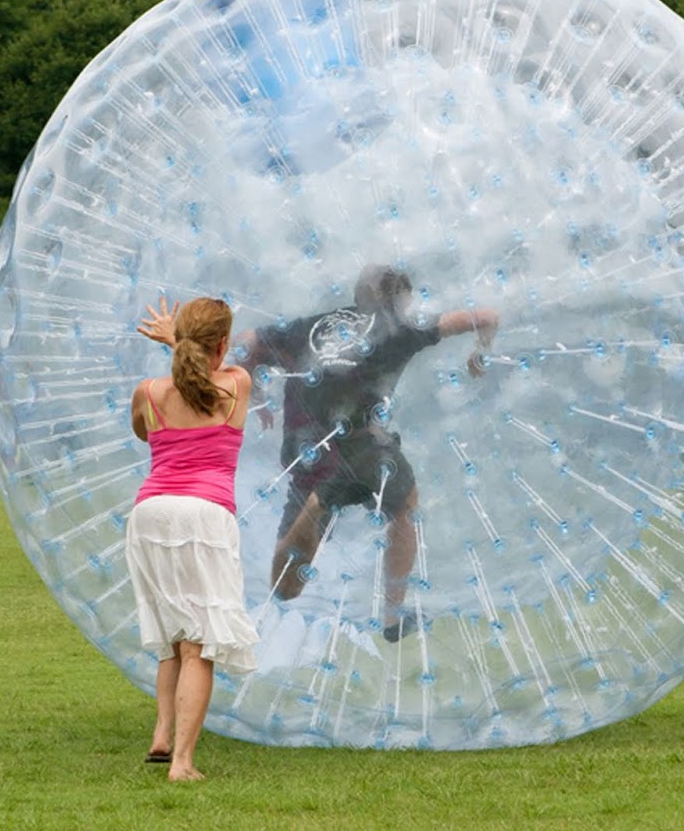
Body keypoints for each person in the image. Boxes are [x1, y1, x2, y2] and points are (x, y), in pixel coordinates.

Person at [226, 265, 497, 642]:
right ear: (400, 301)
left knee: (286, 588)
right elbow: (485, 317)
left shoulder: (310, 326)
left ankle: (316, 508)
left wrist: (253, 393)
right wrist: (480, 354)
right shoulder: (403, 329)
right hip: (366, 447)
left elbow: (245, 340)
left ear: (358, 295)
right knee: (404, 506)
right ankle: (392, 619)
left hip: (309, 454)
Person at [127, 297, 259, 781]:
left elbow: (145, 434)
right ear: (223, 343)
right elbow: (206, 378)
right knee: (198, 646)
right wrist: (179, 343)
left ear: (179, 341)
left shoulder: (149, 392)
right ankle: (182, 762)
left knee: (171, 638)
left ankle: (162, 737)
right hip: (203, 516)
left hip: (150, 515)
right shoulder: (237, 385)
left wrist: (173, 344)